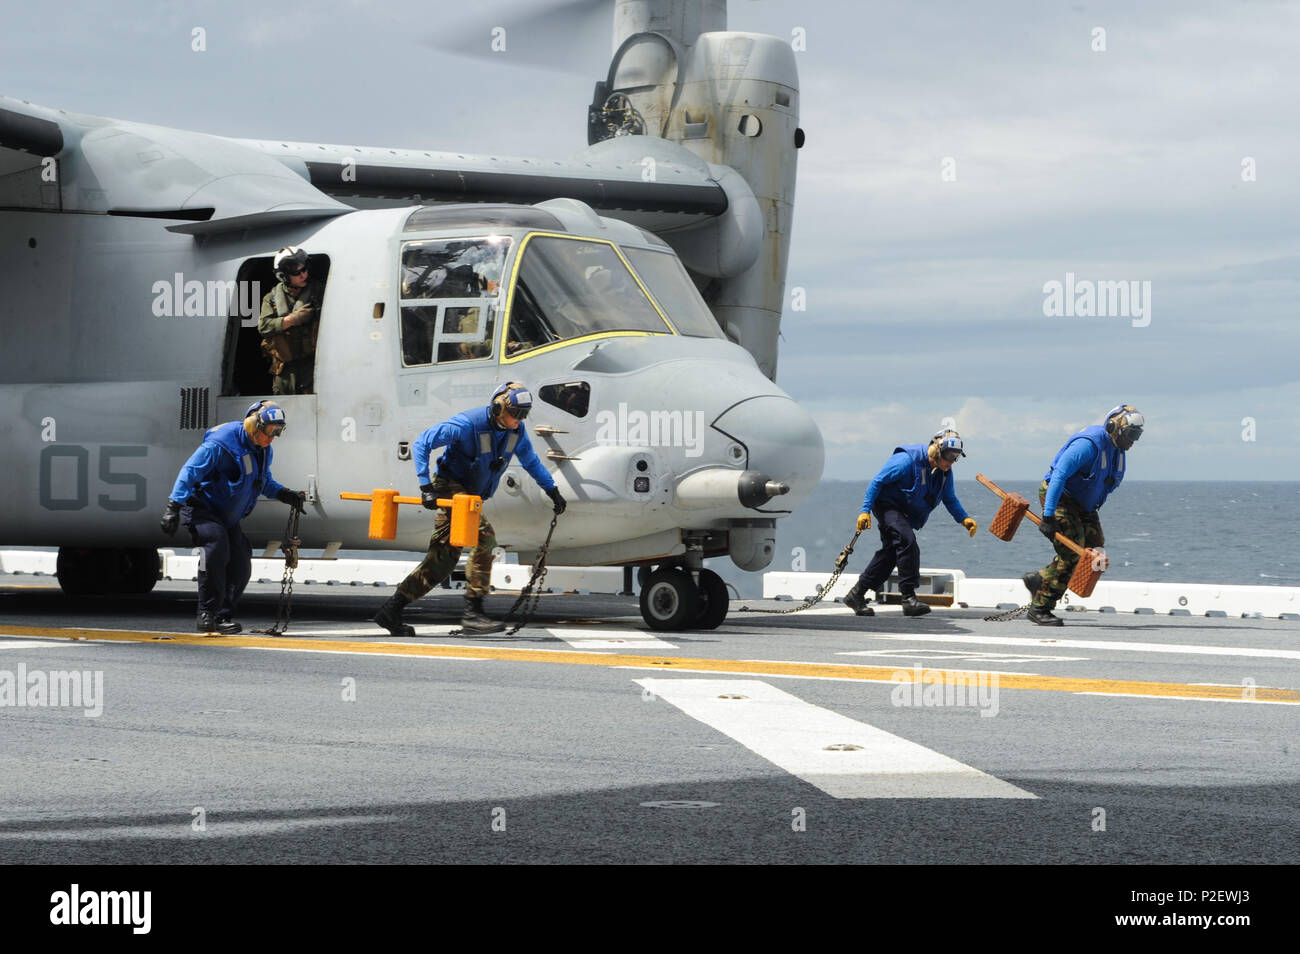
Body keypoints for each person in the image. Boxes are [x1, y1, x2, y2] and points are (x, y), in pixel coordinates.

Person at [373, 382, 567, 637]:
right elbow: (422, 443)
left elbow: (530, 462)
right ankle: (473, 615)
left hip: (471, 496)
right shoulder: (467, 425)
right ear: (498, 407)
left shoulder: (515, 433)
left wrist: (551, 490)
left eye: (523, 415)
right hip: (451, 488)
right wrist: (426, 486)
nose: (519, 421)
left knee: (442, 561)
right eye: (515, 414)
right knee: (485, 539)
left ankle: (391, 610)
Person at [160, 401, 306, 634]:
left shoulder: (263, 449)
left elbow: (263, 481)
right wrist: (173, 507)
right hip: (201, 509)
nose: (273, 437)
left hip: (226, 516)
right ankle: (206, 613)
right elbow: (190, 471)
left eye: (277, 432)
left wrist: (285, 494)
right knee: (216, 546)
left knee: (241, 563)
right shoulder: (221, 444)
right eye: (270, 431)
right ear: (253, 425)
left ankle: (221, 616)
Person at [1024, 404, 1144, 626]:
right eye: (1130, 434)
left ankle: (1040, 578)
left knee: (1094, 551)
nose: (1132, 441)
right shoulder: (1087, 446)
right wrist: (1048, 516)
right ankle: (1041, 606)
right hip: (1060, 497)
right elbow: (1059, 476)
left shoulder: (1118, 450)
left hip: (1083, 506)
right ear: (1113, 428)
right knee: (1072, 552)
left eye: (1137, 435)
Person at [842, 429, 978, 618]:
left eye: (956, 457)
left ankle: (856, 594)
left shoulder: (945, 472)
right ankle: (908, 598)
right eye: (949, 455)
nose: (952, 461)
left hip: (905, 513)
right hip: (887, 506)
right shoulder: (906, 461)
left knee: (891, 553)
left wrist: (964, 518)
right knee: (907, 542)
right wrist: (865, 511)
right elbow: (877, 482)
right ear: (936, 451)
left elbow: (949, 498)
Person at [259, 246, 324, 395]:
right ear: (284, 276)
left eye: (305, 269)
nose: (303, 275)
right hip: (285, 370)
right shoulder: (272, 298)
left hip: (311, 364)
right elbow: (264, 327)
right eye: (297, 272)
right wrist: (291, 320)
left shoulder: (318, 291)